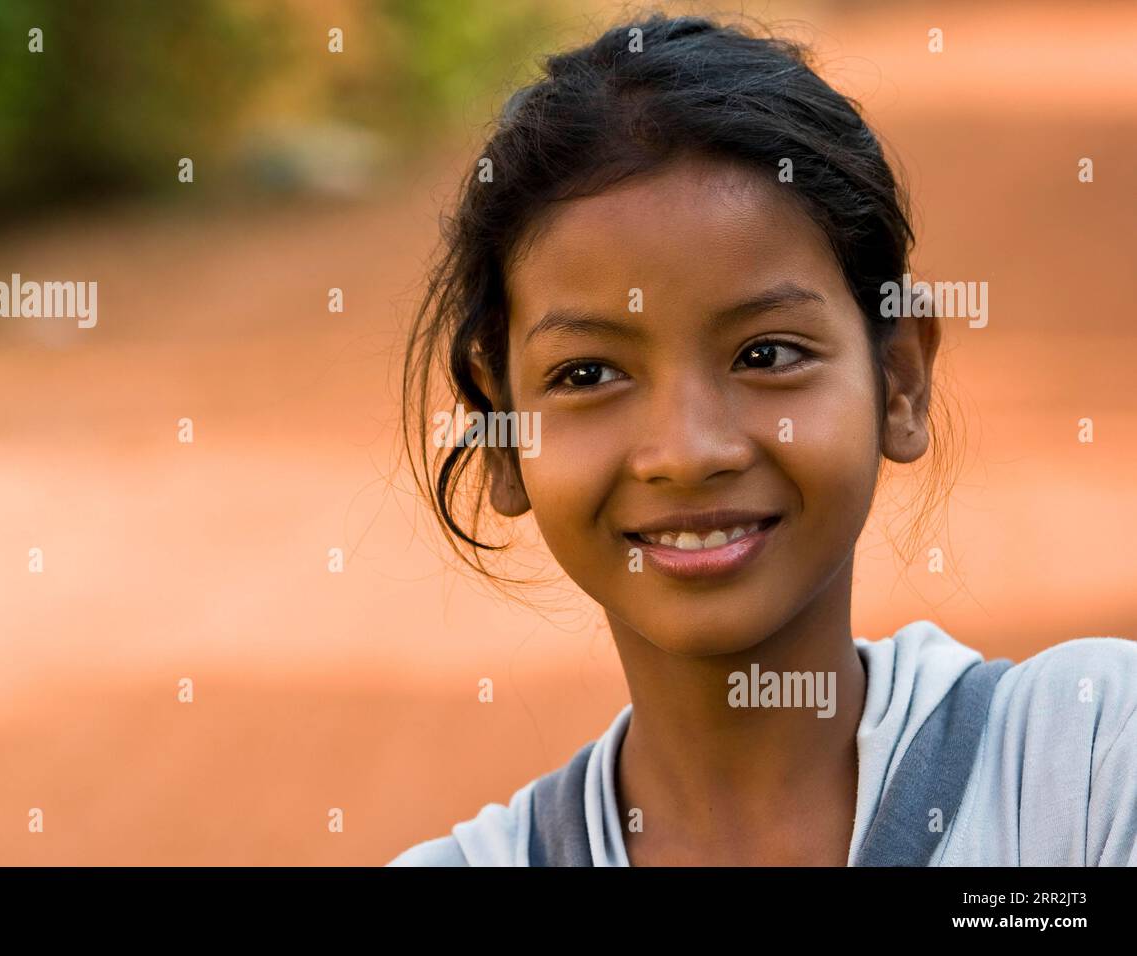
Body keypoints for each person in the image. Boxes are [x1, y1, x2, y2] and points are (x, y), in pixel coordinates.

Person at [389, 12, 1137, 866]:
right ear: (500, 437)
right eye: (588, 374)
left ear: (898, 381)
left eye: (766, 354)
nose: (688, 451)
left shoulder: (1088, 770)